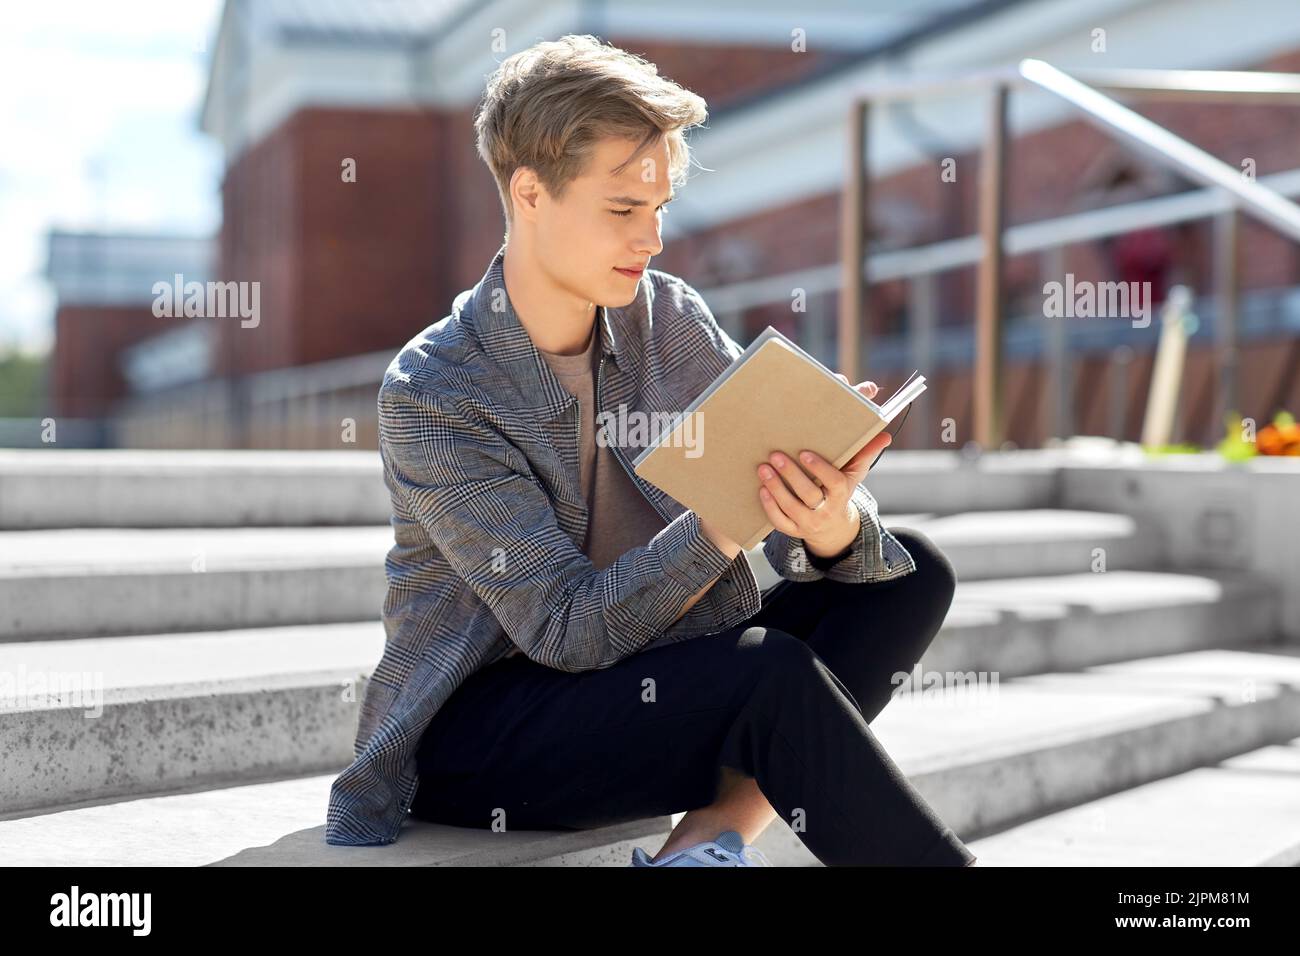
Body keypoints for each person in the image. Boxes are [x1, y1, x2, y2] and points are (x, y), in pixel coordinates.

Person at [324, 34, 975, 867]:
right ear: (530, 194)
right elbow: (565, 629)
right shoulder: (435, 391)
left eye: (661, 207)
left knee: (902, 572)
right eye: (624, 210)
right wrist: (724, 520)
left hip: (653, 676)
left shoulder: (666, 316)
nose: (654, 238)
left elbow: (780, 529)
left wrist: (825, 520)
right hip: (484, 738)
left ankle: (703, 851)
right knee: (766, 673)